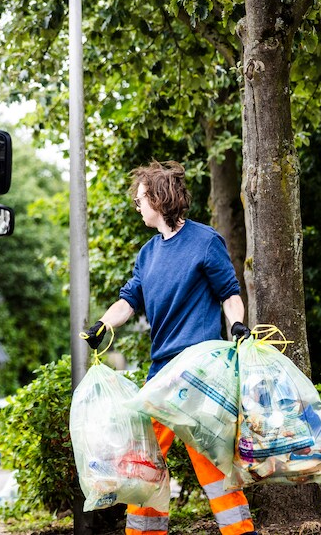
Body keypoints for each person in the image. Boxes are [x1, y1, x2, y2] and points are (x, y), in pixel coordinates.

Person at [82, 160, 258, 535]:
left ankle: (240, 532)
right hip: (161, 376)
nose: (137, 205)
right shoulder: (147, 254)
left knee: (214, 466)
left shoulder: (205, 241)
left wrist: (238, 324)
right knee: (146, 465)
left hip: (200, 376)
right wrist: (103, 323)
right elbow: (129, 300)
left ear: (159, 200)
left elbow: (229, 293)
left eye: (141, 198)